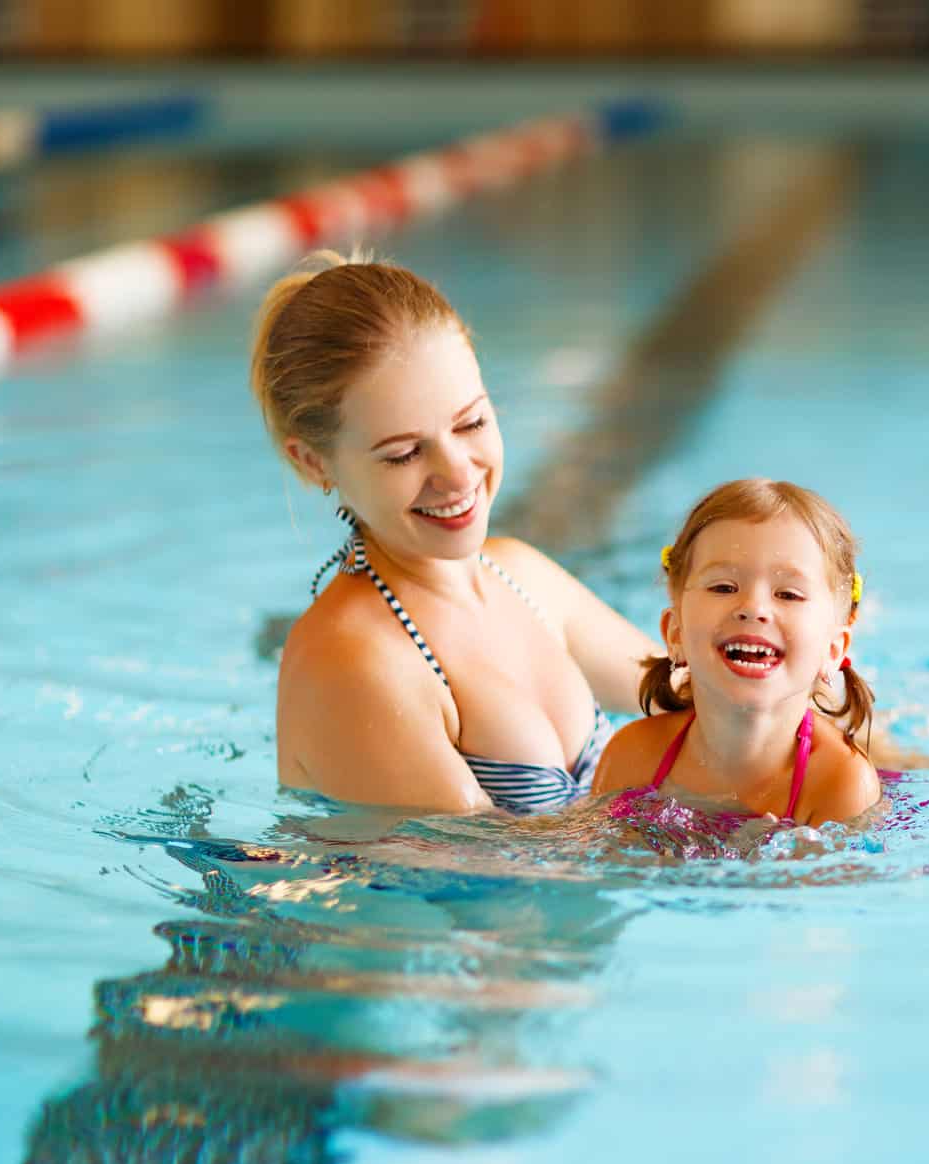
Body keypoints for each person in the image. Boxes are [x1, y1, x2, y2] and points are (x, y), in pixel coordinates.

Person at [250, 252, 657, 814]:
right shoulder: (352, 659)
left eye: (472, 423)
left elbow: (693, 694)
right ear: (314, 462)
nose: (459, 473)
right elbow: (487, 860)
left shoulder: (520, 575)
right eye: (404, 453)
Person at [592, 479, 882, 827]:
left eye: (788, 594)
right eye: (723, 587)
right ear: (675, 634)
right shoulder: (634, 755)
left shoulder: (839, 784)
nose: (753, 607)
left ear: (833, 650)